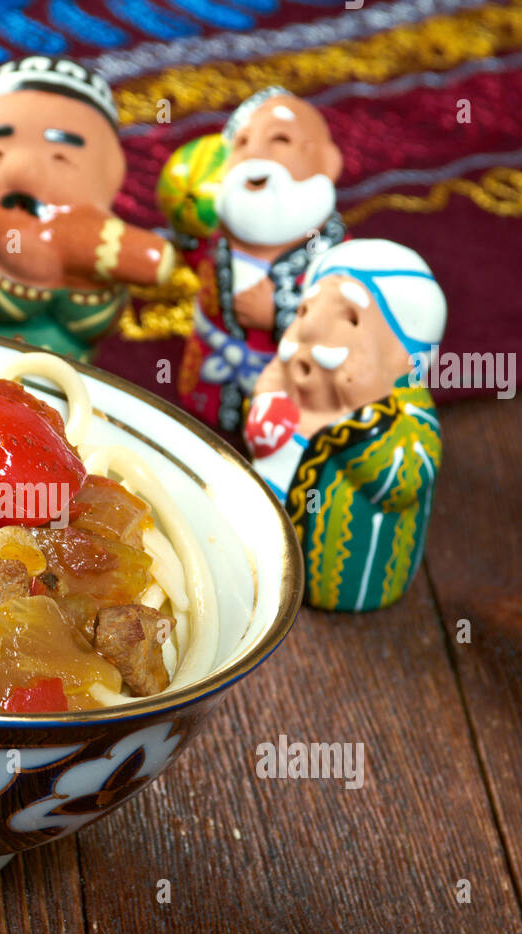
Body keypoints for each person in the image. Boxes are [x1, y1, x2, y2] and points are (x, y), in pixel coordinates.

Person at [0, 55, 174, 361]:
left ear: (110, 174)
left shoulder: (101, 244)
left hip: (54, 359)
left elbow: (93, 324)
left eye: (60, 157)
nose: (21, 171)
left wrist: (82, 280)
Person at [245, 239, 446, 612]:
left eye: (350, 318)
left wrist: (367, 403)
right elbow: (261, 439)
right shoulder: (285, 378)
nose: (308, 331)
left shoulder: (411, 413)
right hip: (263, 550)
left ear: (403, 357)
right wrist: (268, 396)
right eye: (305, 310)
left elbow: (404, 481)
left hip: (346, 571)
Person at [157, 86, 344, 432]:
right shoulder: (217, 240)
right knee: (197, 437)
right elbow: (192, 255)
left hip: (286, 394)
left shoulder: (337, 257)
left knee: (276, 448)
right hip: (210, 380)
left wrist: (280, 315)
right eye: (242, 143)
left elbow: (344, 321)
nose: (256, 155)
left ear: (327, 162)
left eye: (280, 140)